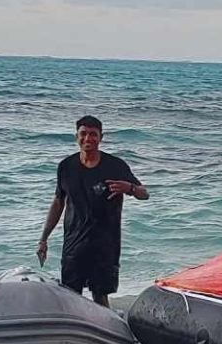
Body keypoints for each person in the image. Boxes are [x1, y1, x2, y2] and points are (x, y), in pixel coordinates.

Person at [38, 115, 147, 306]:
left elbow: (144, 194)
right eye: (83, 134)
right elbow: (58, 202)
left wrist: (129, 188)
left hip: (105, 244)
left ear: (101, 137)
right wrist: (43, 239)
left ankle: (107, 325)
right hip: (74, 243)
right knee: (71, 296)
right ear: (76, 136)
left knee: (100, 296)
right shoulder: (66, 167)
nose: (88, 138)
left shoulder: (115, 166)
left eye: (93, 134)